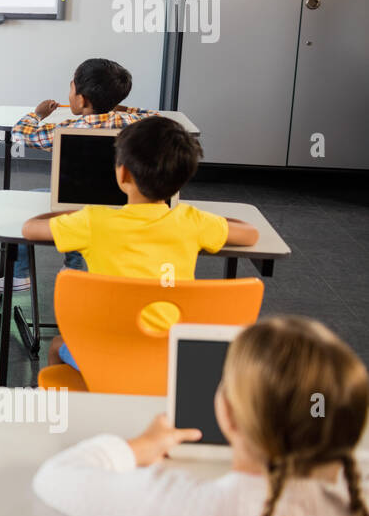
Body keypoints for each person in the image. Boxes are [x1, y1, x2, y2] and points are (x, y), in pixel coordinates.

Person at [33, 316, 369, 516]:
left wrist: (141, 446)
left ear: (227, 414)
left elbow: (57, 476)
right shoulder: (358, 513)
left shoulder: (171, 506)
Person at [23, 115, 258, 374]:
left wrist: (67, 215)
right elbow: (250, 235)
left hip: (106, 356)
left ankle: (78, 406)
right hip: (171, 360)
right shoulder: (193, 222)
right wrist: (212, 219)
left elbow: (30, 229)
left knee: (57, 345)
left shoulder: (92, 222)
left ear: (123, 173)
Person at [0, 58, 157, 293]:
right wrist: (120, 108)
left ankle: (19, 276)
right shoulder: (136, 124)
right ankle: (75, 268)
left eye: (72, 88)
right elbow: (154, 115)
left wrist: (37, 114)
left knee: (39, 203)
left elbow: (22, 135)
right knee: (81, 203)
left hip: (74, 206)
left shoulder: (66, 129)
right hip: (124, 206)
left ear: (81, 99)